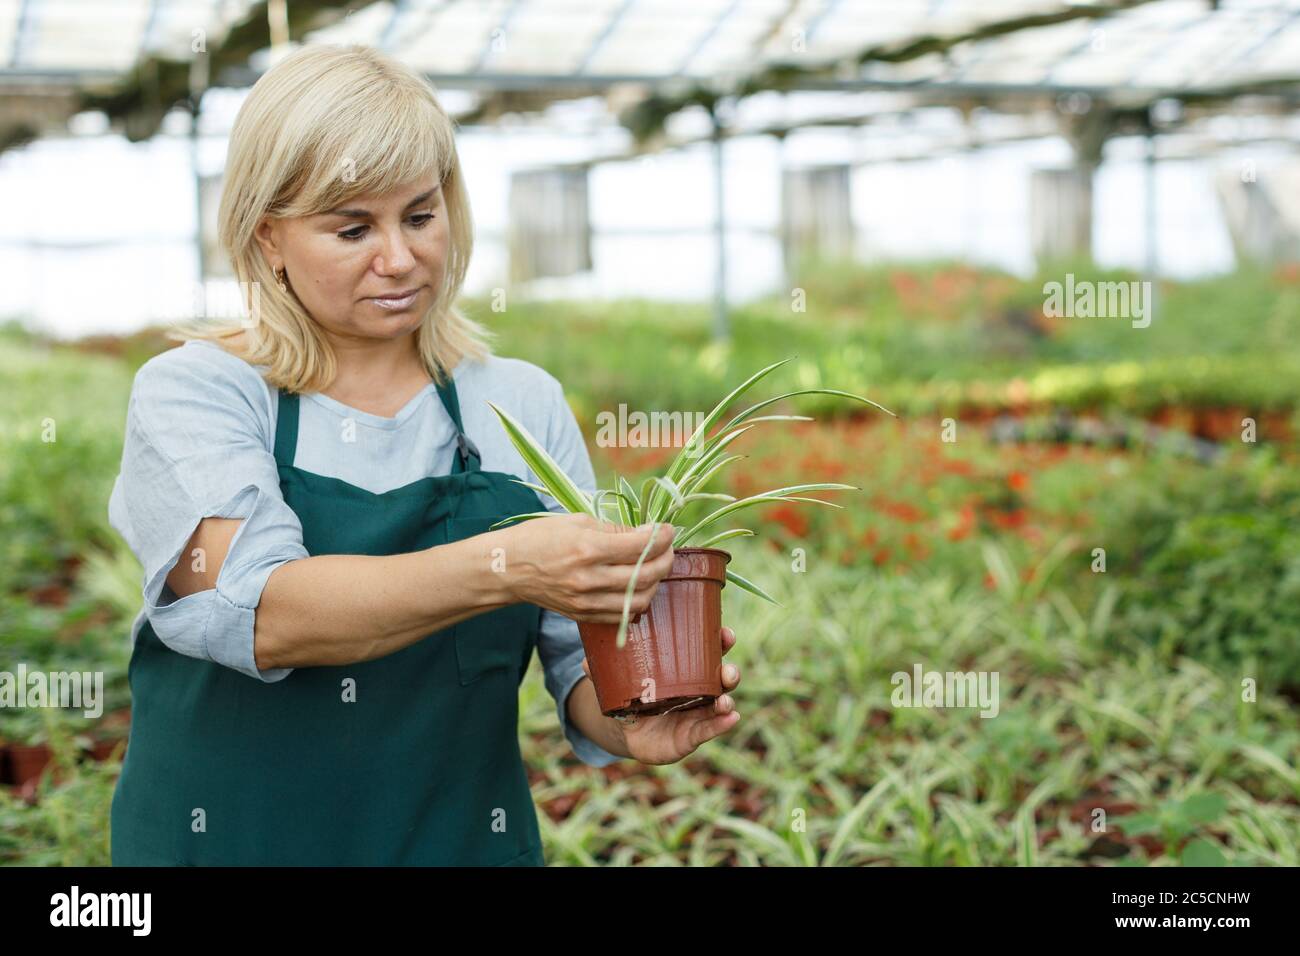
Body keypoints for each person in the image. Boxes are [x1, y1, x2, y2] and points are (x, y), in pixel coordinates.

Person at [106, 43, 741, 867]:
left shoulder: (516, 402)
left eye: (419, 214)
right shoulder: (198, 393)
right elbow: (256, 612)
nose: (401, 259)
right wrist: (507, 565)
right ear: (269, 239)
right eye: (352, 228)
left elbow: (572, 657)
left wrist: (631, 713)